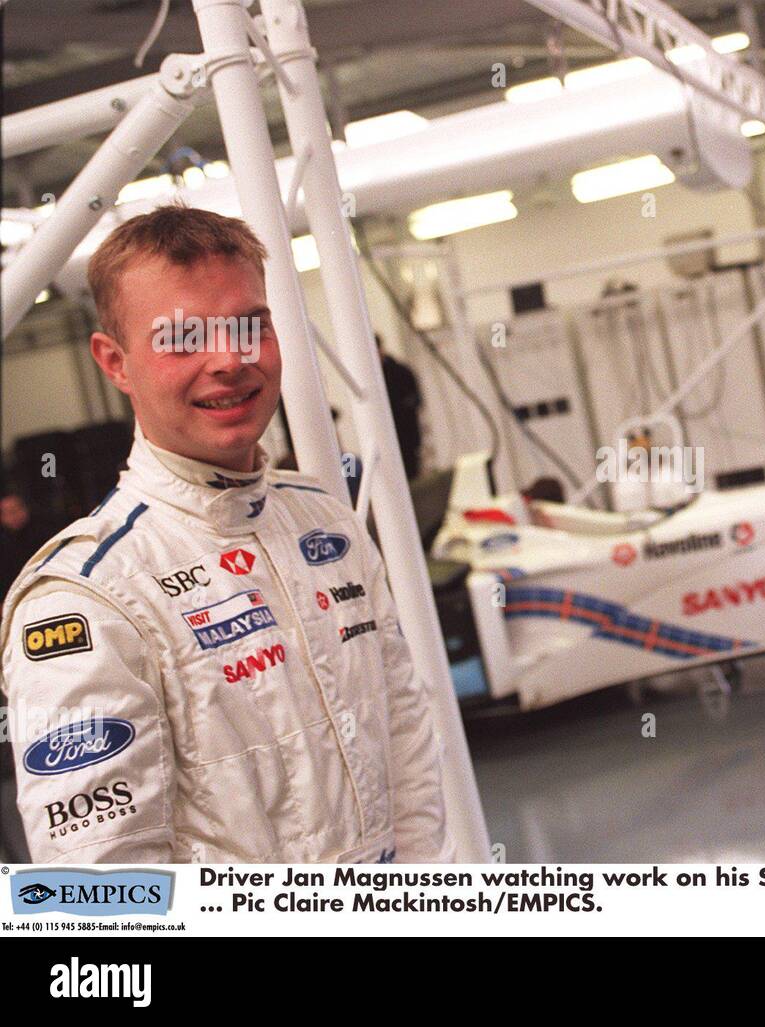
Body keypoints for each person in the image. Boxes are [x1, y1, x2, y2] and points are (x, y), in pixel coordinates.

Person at [0, 205, 453, 863]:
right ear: (115, 362)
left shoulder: (324, 519)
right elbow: (102, 894)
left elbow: (406, 742)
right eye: (182, 337)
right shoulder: (83, 601)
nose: (229, 361)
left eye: (249, 325)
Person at [377, 335, 424, 480]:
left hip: (406, 434)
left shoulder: (401, 372)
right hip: (387, 437)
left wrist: (403, 408)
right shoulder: (374, 378)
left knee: (412, 473)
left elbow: (417, 399)